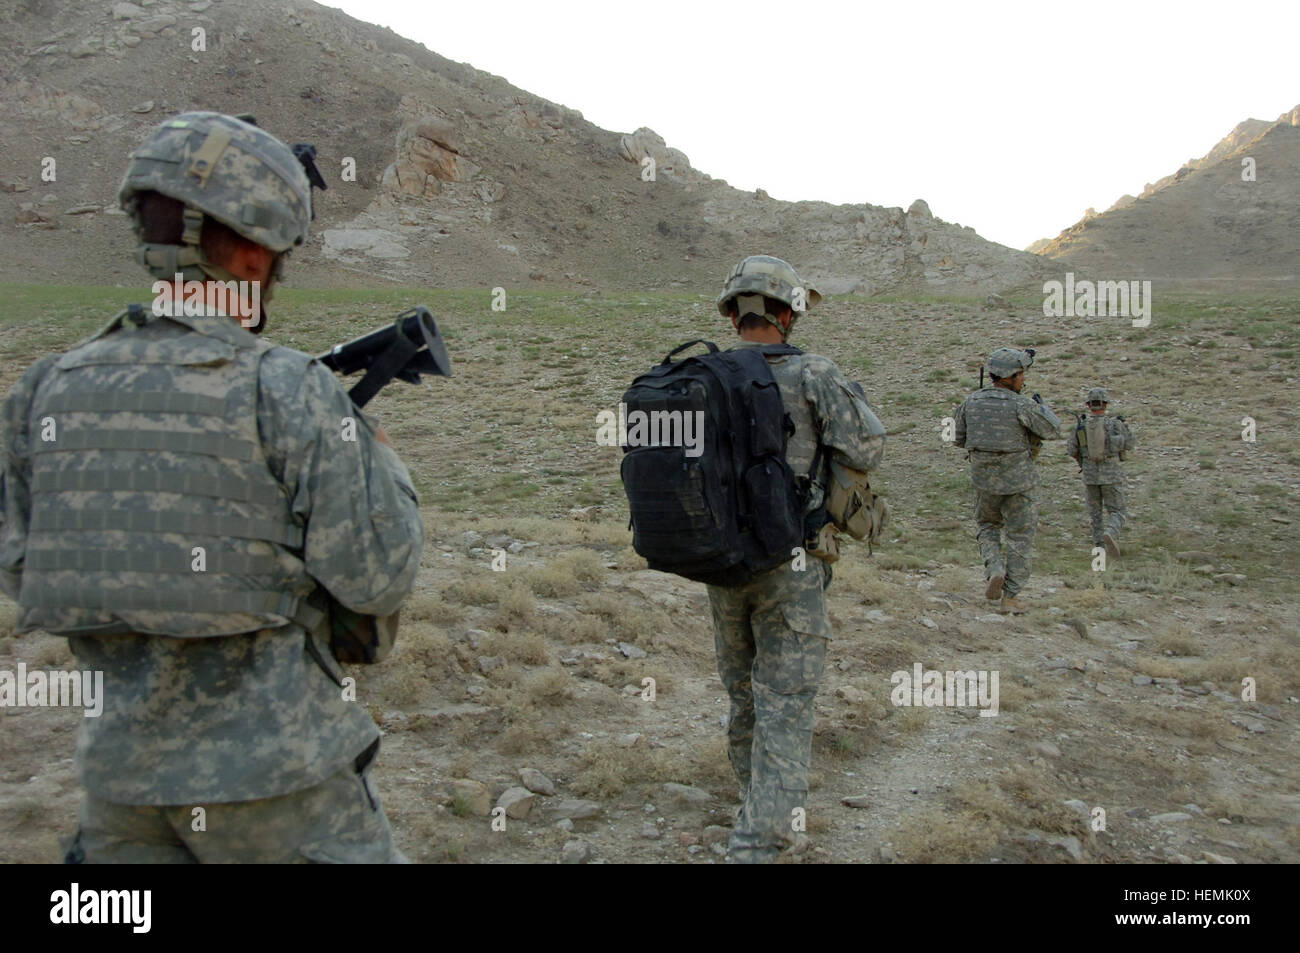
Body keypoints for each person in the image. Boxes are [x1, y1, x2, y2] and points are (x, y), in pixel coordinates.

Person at [0, 112, 423, 863]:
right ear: (257, 254)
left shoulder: (42, 390)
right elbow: (378, 574)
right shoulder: (286, 387)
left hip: (120, 795)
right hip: (284, 791)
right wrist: (381, 461)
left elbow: (23, 567)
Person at [709, 255, 885, 863]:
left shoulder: (702, 375)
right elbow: (866, 445)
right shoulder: (816, 372)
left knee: (744, 696)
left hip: (721, 562)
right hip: (793, 564)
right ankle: (758, 844)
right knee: (785, 702)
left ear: (733, 313)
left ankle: (755, 808)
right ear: (786, 313)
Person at [953, 347, 1059, 614]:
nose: (1024, 379)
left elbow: (958, 438)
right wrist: (1041, 407)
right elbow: (1052, 429)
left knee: (987, 526)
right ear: (1011, 376)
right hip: (1019, 482)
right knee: (1020, 536)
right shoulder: (1022, 405)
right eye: (1021, 374)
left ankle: (995, 569)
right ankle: (1010, 597)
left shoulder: (970, 402)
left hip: (984, 481)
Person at [1066, 387, 1133, 557]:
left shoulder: (1081, 427)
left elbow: (1072, 449)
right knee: (1117, 511)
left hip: (1090, 476)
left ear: (1089, 405)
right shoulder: (1115, 424)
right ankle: (1111, 532)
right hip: (1112, 476)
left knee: (1095, 516)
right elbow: (1130, 444)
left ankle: (1099, 555)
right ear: (1105, 404)